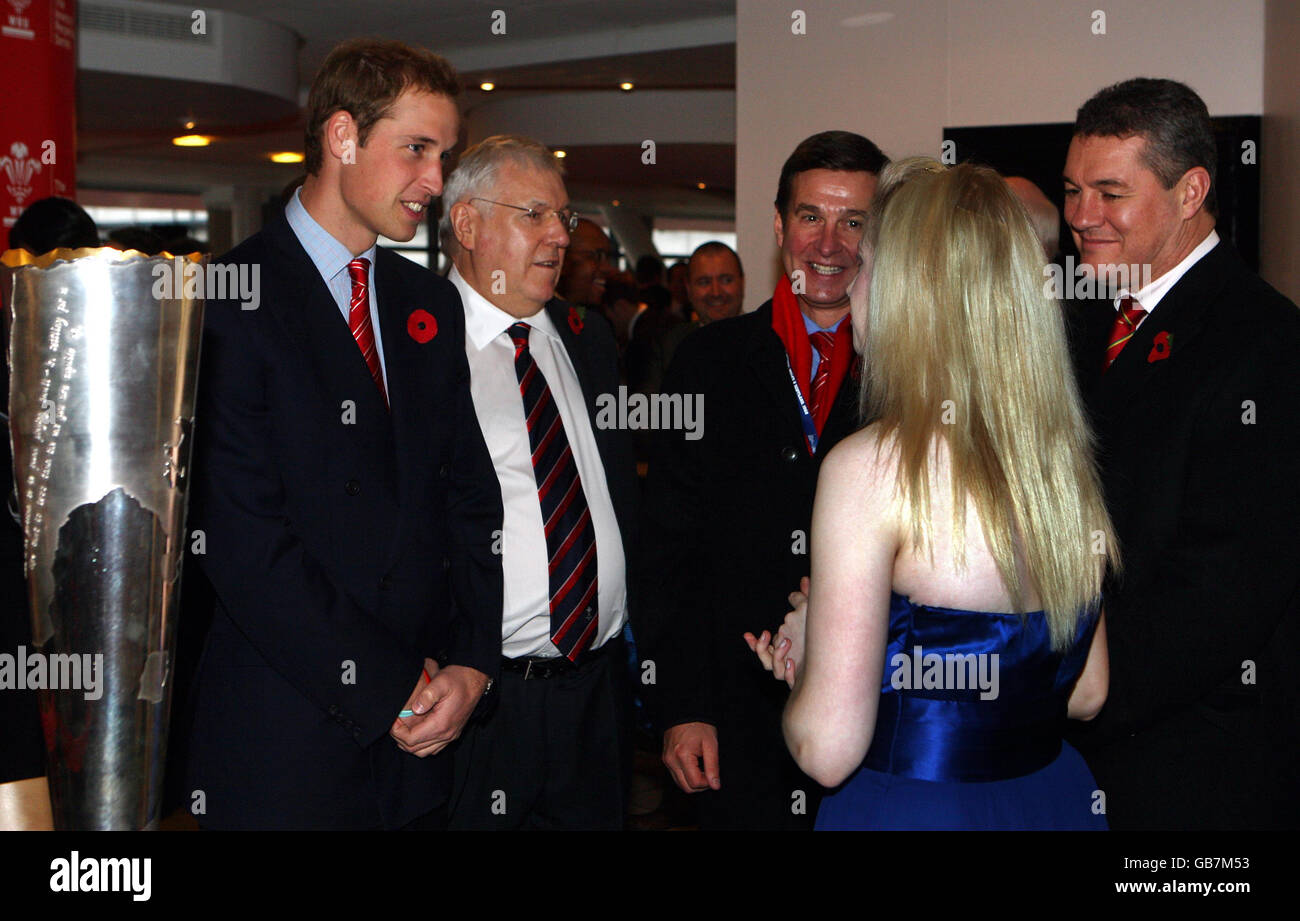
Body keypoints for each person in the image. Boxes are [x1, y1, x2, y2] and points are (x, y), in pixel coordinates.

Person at [185, 38, 503, 830]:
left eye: (444, 154)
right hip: (287, 746)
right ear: (341, 138)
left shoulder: (425, 302)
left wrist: (472, 663)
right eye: (417, 150)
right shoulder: (232, 299)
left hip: (423, 743)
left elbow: (470, 499)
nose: (436, 180)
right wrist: (390, 684)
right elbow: (244, 544)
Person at [752, 159, 1115, 830]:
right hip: (1055, 798)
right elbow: (1088, 692)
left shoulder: (870, 467)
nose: (849, 288)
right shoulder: (1060, 458)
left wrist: (810, 660)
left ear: (908, 294)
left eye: (864, 269)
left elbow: (826, 750)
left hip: (917, 810)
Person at [1061, 78, 1300, 830]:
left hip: (1194, 767)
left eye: (1109, 193)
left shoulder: (1265, 342)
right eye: (1071, 191)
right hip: (1080, 756)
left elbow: (1227, 579)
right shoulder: (1078, 317)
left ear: (1191, 189)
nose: (1080, 218)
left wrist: (1072, 684)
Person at [634, 130, 887, 830]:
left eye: (855, 221)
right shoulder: (707, 364)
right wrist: (682, 705)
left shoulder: (913, 374)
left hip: (878, 719)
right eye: (811, 216)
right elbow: (667, 553)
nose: (830, 243)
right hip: (731, 717)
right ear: (779, 226)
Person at [440, 135, 638, 830]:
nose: (563, 235)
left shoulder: (586, 339)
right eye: (534, 215)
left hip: (599, 697)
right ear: (467, 224)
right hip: (483, 706)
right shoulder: (420, 349)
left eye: (563, 215)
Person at [644, 241, 745, 393]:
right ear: (688, 289)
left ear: (742, 283)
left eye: (726, 280)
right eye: (704, 282)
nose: (716, 292)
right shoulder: (669, 345)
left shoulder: (768, 343)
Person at [556, 217, 615, 308]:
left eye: (607, 257)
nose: (607, 268)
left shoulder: (593, 319)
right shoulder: (535, 318)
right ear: (563, 259)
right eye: (597, 256)